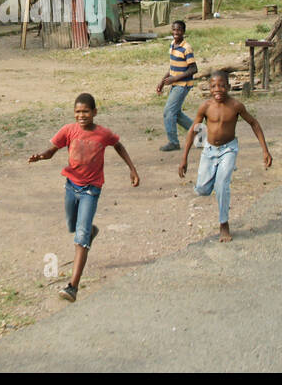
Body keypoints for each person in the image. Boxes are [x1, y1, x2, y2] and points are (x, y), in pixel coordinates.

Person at [29, 93, 139, 302]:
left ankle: (72, 287)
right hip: (71, 186)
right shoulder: (68, 131)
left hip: (91, 189)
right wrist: (41, 156)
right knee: (73, 225)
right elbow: (52, 150)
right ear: (74, 113)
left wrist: (132, 169)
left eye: (86, 111)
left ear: (95, 112)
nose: (82, 115)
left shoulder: (102, 133)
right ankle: (90, 232)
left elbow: (118, 145)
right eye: (78, 112)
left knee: (80, 237)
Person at [178, 71, 272, 242]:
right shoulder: (205, 107)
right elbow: (193, 130)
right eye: (213, 86)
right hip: (209, 150)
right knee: (203, 189)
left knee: (222, 184)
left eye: (222, 85)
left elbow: (254, 123)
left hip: (229, 149)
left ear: (228, 87)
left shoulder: (235, 106)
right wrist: (184, 158)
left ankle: (224, 225)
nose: (218, 89)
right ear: (209, 88)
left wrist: (265, 150)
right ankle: (216, 175)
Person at [157, 20, 197, 152]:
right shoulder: (173, 45)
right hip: (175, 83)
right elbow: (173, 66)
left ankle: (173, 142)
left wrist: (175, 78)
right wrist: (163, 81)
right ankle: (199, 132)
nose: (176, 33)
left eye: (179, 30)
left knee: (168, 112)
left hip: (183, 84)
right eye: (174, 30)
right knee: (176, 113)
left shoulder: (186, 47)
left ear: (183, 32)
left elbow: (193, 69)